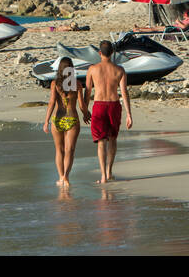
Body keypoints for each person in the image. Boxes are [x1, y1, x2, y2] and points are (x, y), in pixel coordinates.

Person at [86, 40, 132, 182]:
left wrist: (84, 110)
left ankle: (103, 176)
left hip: (99, 105)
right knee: (112, 139)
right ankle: (109, 172)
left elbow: (87, 92)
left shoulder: (93, 69)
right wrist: (129, 114)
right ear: (112, 53)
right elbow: (124, 92)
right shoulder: (119, 70)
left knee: (101, 141)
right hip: (113, 105)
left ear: (100, 53)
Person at [43, 57, 91, 188]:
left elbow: (52, 103)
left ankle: (60, 177)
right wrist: (87, 114)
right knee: (70, 150)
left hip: (57, 119)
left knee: (59, 150)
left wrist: (46, 121)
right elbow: (81, 105)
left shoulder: (54, 84)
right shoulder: (77, 84)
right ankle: (66, 177)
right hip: (72, 119)